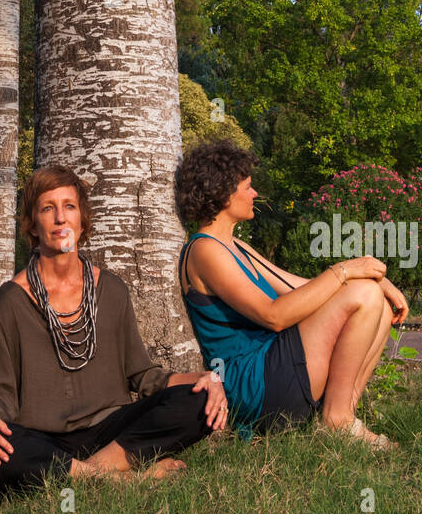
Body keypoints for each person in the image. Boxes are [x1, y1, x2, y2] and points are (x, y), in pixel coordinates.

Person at [0, 165, 227, 492]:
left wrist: (207, 380)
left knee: (199, 402)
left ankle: (78, 475)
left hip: (112, 434)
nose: (60, 218)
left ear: (82, 219)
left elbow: (145, 377)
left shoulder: (113, 290)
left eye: (69, 206)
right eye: (48, 208)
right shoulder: (11, 300)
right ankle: (121, 479)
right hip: (42, 439)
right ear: (33, 224)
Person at [174, 141, 409, 448]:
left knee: (371, 295)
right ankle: (337, 421)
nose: (255, 194)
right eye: (247, 186)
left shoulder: (236, 247)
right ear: (223, 193)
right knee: (362, 294)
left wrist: (377, 280)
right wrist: (345, 271)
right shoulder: (205, 250)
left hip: (273, 368)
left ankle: (344, 413)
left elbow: (302, 288)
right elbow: (274, 315)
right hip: (254, 384)